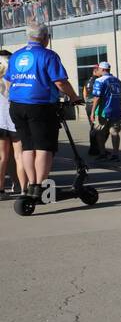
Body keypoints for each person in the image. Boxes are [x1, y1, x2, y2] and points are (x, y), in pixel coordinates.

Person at [3, 22, 82, 197]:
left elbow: (8, 80)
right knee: (43, 147)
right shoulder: (48, 55)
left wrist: (13, 93)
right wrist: (75, 97)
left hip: (17, 105)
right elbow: (60, 82)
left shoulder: (16, 55)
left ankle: (32, 184)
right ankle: (40, 185)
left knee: (28, 146)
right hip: (40, 105)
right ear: (45, 37)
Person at [0, 49, 29, 198]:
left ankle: (0, 190)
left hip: (0, 119)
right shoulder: (16, 71)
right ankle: (23, 188)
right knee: (20, 156)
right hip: (15, 118)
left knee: (2, 156)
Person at [91, 61, 121, 161]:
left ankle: (102, 153)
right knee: (115, 133)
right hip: (117, 110)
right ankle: (115, 155)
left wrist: (92, 112)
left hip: (103, 111)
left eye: (99, 69)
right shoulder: (118, 81)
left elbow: (97, 98)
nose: (98, 71)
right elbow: (120, 95)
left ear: (103, 69)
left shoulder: (99, 81)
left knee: (99, 132)